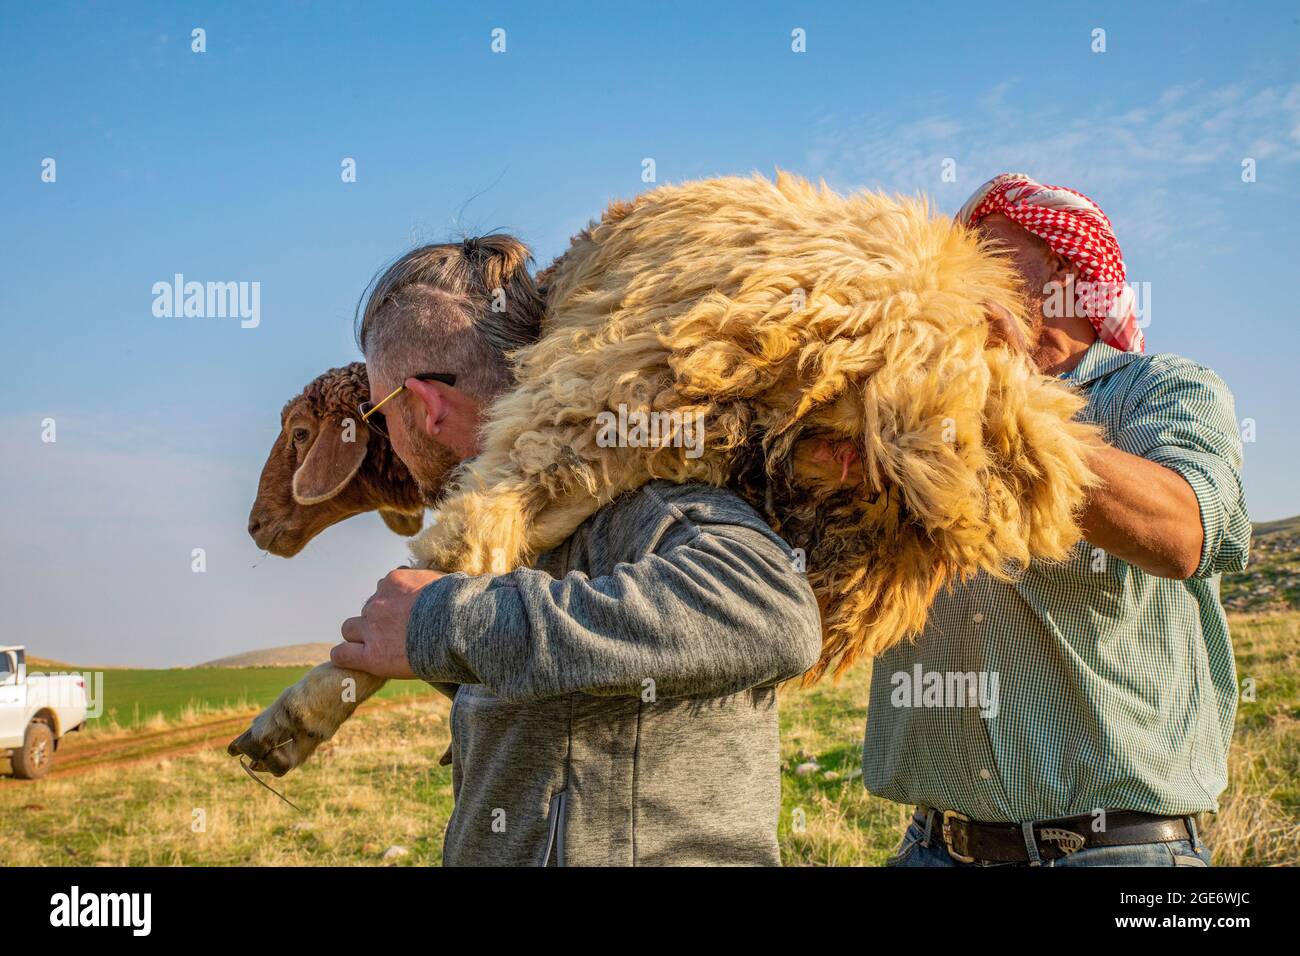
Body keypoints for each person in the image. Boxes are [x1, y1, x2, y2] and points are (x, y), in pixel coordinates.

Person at [333, 237, 823, 866]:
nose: (387, 439)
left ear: (424, 406)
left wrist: (442, 621)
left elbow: (775, 613)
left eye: (381, 411)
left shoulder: (644, 498)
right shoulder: (511, 530)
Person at [867, 174, 1251, 867]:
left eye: (985, 254)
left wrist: (1010, 400)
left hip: (1115, 854)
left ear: (1067, 272)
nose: (956, 275)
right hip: (933, 847)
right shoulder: (920, 412)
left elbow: (1187, 531)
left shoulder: (1160, 389)